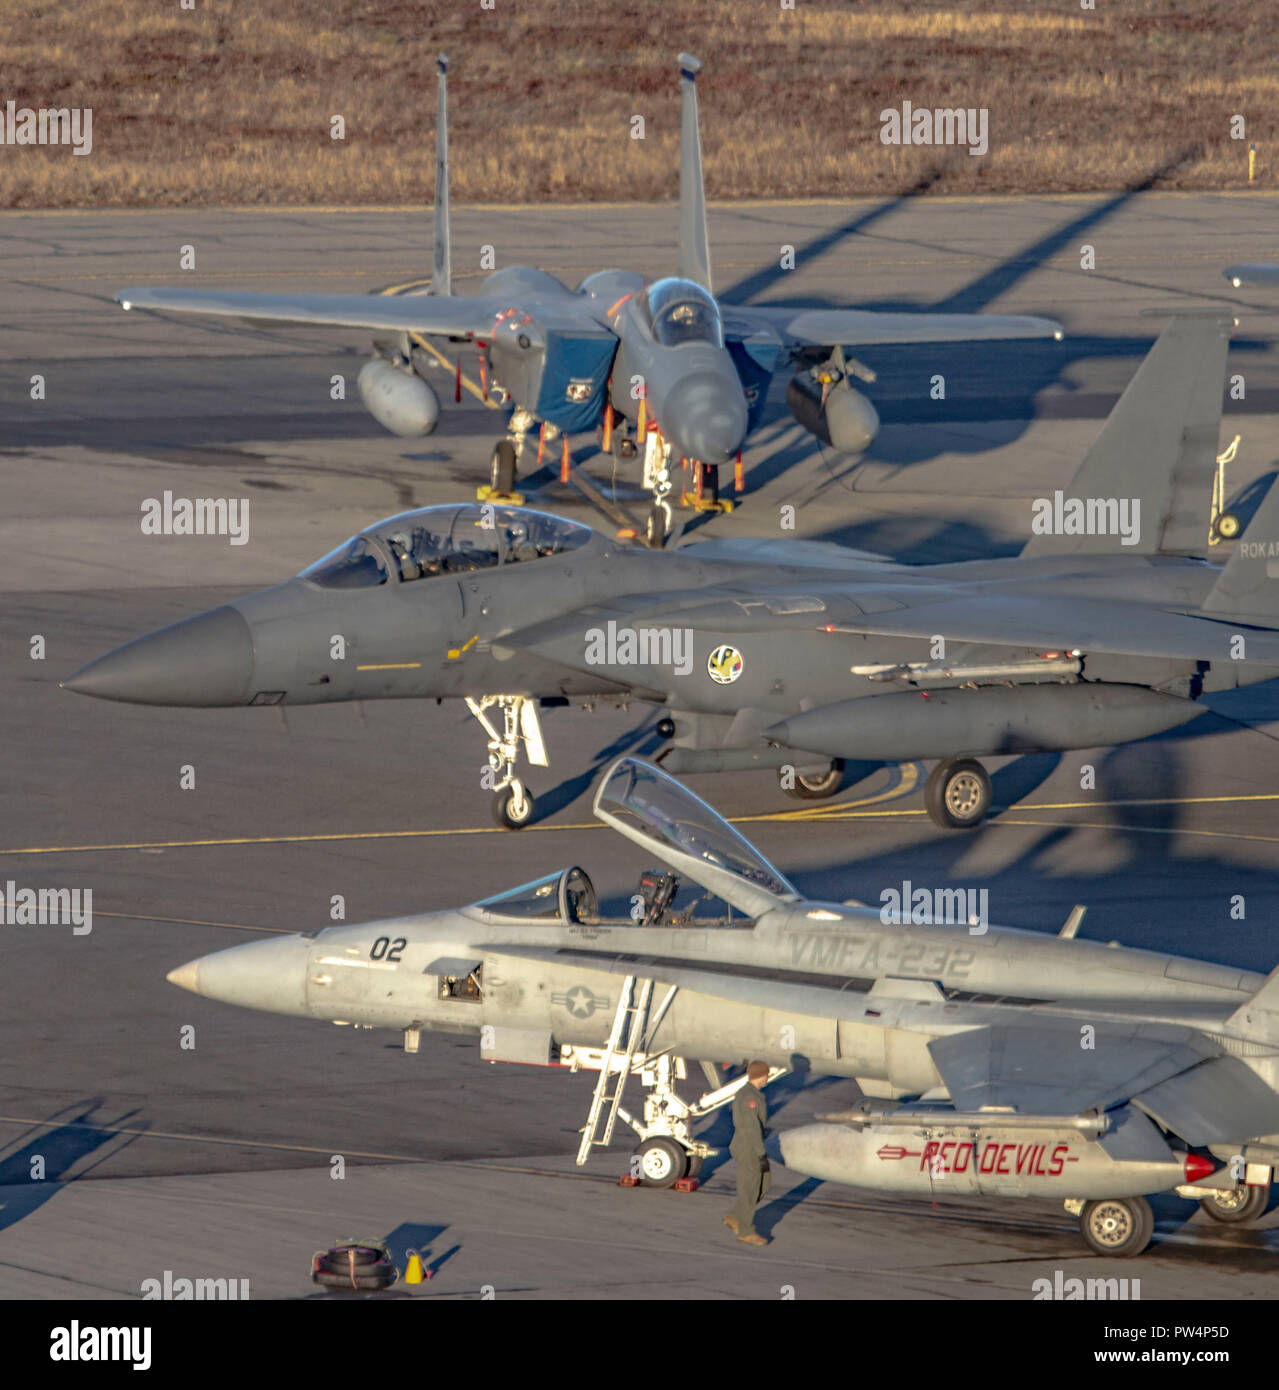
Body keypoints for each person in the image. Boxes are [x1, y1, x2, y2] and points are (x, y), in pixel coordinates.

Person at [724, 1061, 770, 1246]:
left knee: (763, 1184)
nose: (768, 1077)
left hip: (751, 1145)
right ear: (760, 1075)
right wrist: (760, 1154)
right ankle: (746, 1231)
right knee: (750, 1188)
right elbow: (752, 1127)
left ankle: (736, 1217)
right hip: (749, 1146)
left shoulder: (751, 1094)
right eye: (766, 1074)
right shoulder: (749, 1097)